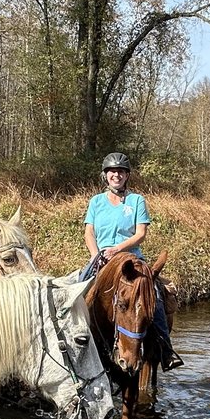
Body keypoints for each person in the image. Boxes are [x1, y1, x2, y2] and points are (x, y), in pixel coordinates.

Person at [83, 152, 183, 371]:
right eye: (112, 172)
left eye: (120, 172)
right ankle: (77, 346)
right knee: (77, 294)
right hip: (101, 260)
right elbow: (89, 232)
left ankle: (166, 349)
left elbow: (140, 234)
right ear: (105, 175)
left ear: (127, 175)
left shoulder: (137, 200)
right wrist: (95, 255)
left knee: (154, 294)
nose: (116, 175)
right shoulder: (96, 202)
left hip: (131, 259)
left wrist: (117, 249)